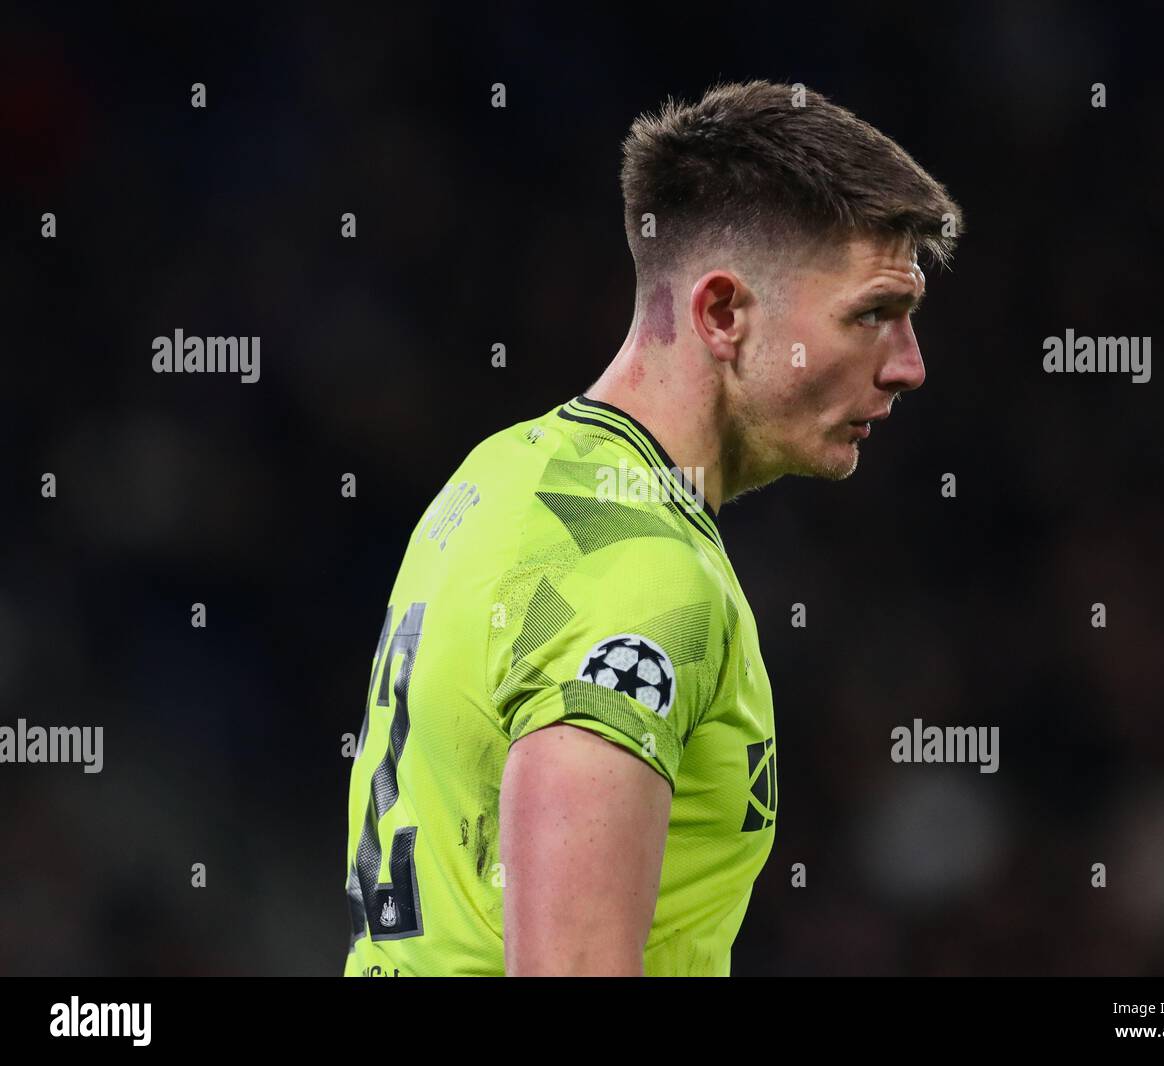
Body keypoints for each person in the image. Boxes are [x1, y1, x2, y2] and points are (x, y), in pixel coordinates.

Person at [343, 78, 962, 976]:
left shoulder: (497, 477)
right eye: (872, 315)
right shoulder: (639, 572)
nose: (909, 366)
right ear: (722, 314)